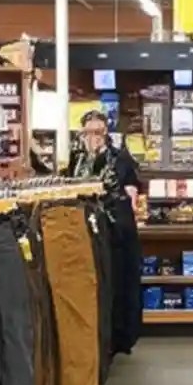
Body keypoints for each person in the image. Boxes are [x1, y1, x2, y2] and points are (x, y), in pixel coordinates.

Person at [64, 110, 144, 354]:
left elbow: (131, 193)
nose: (94, 137)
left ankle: (120, 337)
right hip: (84, 230)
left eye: (99, 132)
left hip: (117, 230)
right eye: (89, 132)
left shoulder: (120, 158)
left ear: (106, 132)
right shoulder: (75, 160)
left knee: (120, 282)